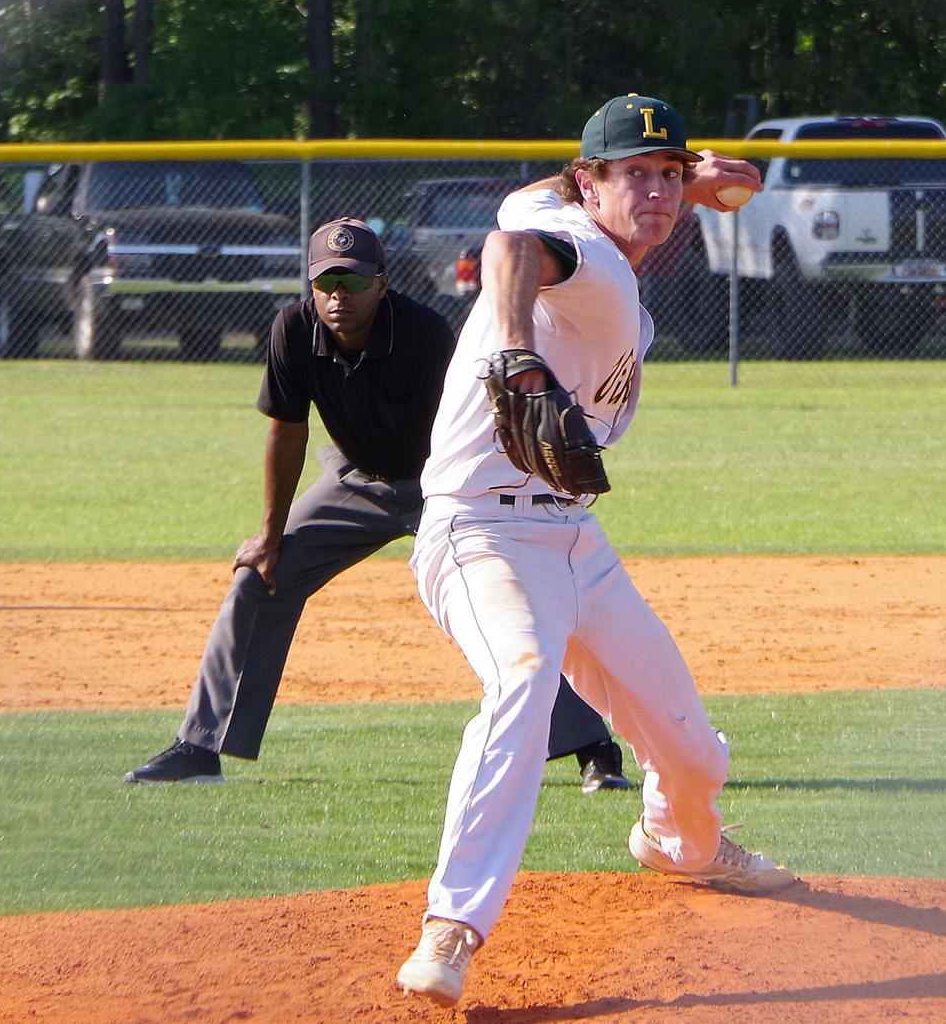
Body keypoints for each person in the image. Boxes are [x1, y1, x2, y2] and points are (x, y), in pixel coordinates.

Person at [396, 95, 800, 1008]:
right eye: (635, 176)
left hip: (576, 538)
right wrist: (514, 356)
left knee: (694, 755)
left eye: (667, 173)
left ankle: (679, 842)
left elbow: (525, 211)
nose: (655, 192)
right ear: (590, 186)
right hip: (481, 532)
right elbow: (507, 255)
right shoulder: (586, 258)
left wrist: (684, 183)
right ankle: (452, 927)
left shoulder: (563, 216)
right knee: (525, 678)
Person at [123, 217, 630, 793]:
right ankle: (202, 745)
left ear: (382, 284)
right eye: (328, 281)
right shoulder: (292, 330)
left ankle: (592, 745)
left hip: (447, 483)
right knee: (260, 579)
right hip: (357, 479)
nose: (340, 295)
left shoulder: (425, 334)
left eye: (355, 282)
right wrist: (268, 536)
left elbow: (482, 419)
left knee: (500, 613)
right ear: (311, 286)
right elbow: (286, 433)